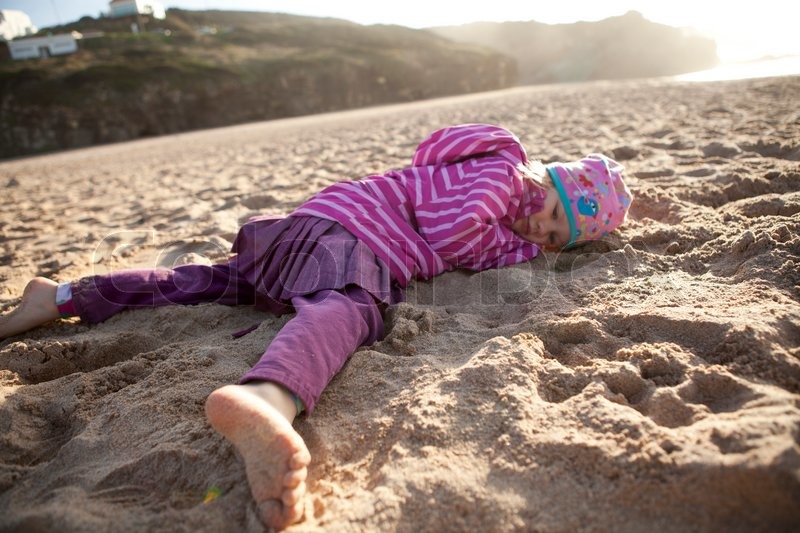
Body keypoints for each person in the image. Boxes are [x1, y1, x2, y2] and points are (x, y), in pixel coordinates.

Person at [0, 123, 632, 530]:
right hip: (354, 232)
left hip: (312, 227)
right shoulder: (500, 177)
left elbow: (440, 181)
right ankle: (265, 397)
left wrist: (528, 240)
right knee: (349, 307)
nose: (538, 232)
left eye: (553, 238)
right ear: (548, 178)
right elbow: (450, 229)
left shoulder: (498, 193)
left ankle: (58, 296)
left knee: (211, 282)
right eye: (550, 212)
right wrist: (515, 218)